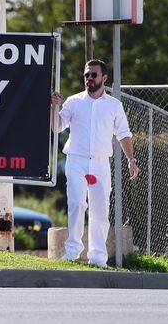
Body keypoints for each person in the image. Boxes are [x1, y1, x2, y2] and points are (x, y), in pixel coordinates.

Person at [50, 59, 139, 268]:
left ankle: (98, 256)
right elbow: (57, 127)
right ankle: (72, 252)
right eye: (86, 75)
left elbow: (124, 134)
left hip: (100, 162)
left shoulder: (114, 105)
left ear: (104, 78)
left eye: (93, 75)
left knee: (100, 210)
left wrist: (131, 160)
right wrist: (53, 108)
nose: (89, 78)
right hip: (76, 159)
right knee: (77, 203)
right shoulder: (73, 101)